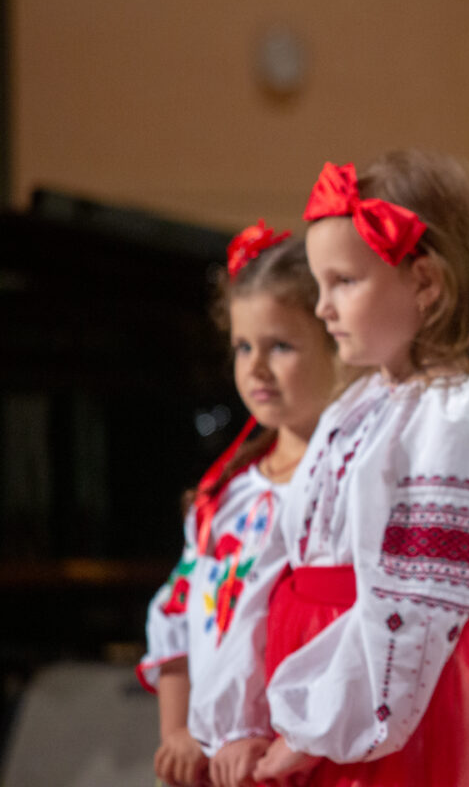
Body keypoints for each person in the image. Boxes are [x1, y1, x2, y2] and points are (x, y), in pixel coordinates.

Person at [192, 150, 469, 787]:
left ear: (426, 284)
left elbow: (416, 600)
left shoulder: (458, 414)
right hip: (305, 690)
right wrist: (243, 715)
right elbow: (273, 562)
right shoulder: (359, 402)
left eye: (343, 282)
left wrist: (310, 730)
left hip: (385, 709)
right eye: (320, 286)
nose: (322, 308)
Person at [138, 221, 342, 787]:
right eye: (243, 347)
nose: (254, 367)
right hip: (217, 764)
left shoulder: (339, 485)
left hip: (299, 759)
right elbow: (178, 613)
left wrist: (280, 737)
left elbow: (336, 641)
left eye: (280, 346)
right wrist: (179, 733)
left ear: (338, 343)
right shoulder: (228, 489)